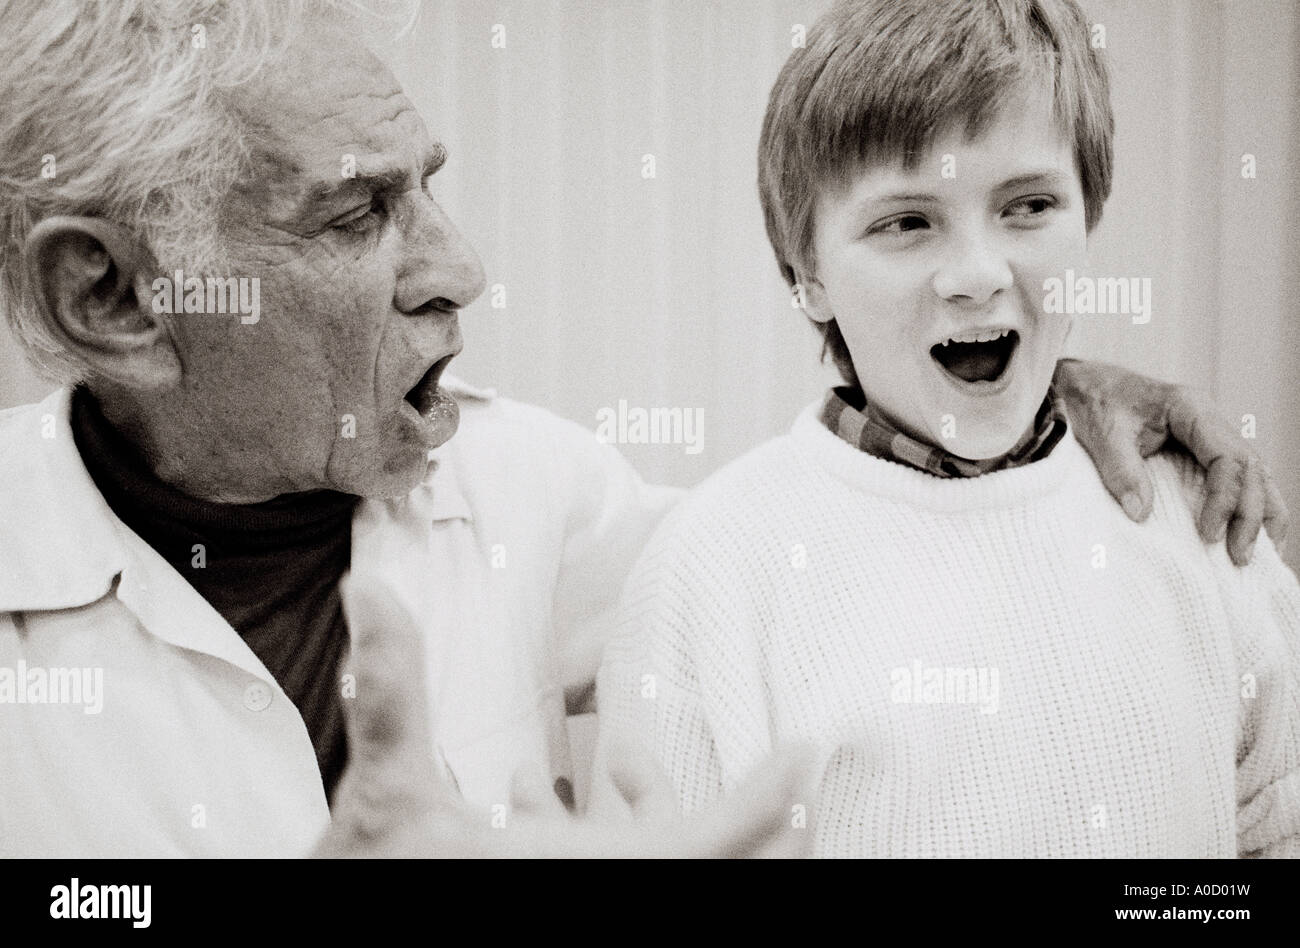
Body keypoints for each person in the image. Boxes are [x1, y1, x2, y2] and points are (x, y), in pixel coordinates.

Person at [0, 0, 1284, 857]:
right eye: (353, 217)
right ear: (109, 296)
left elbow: (886, 537)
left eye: (429, 189)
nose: (462, 268)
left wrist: (1054, 382)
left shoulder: (540, 497)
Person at [593, 0, 1300, 857]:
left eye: (1029, 206)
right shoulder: (709, 572)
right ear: (806, 275)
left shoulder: (1197, 515)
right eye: (906, 222)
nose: (976, 274)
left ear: (1090, 219)